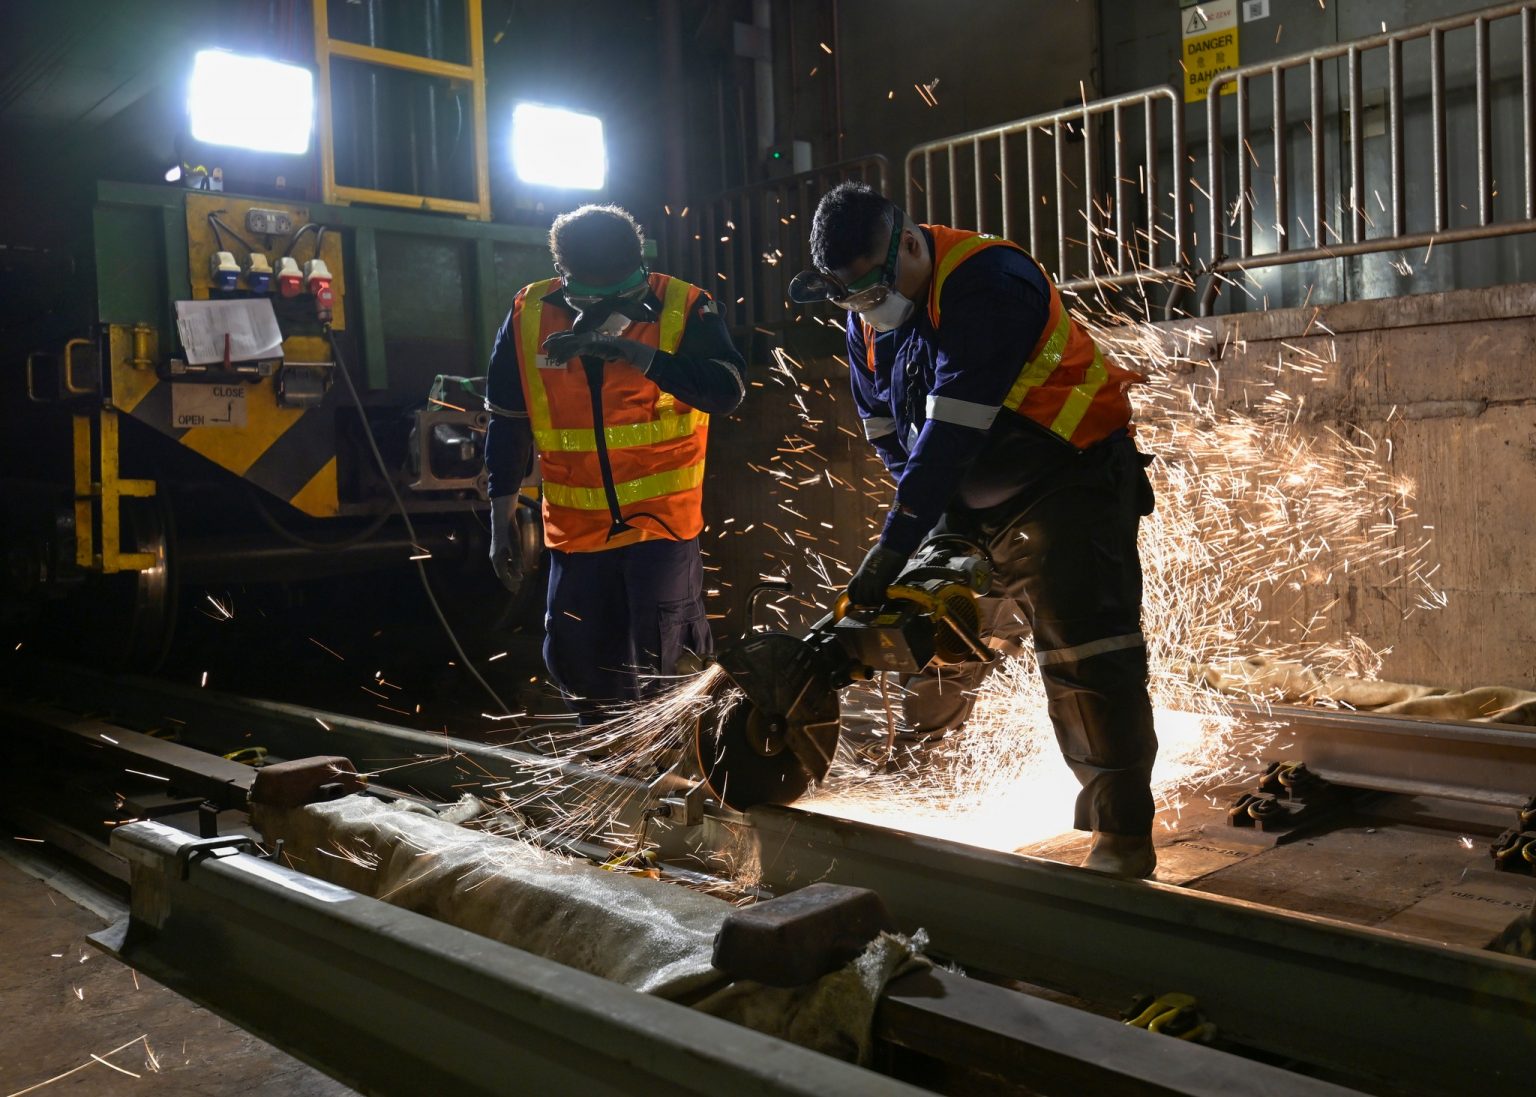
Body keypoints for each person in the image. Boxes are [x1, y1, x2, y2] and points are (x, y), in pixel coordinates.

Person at [790, 182, 1159, 878]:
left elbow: (954, 426)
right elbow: (891, 436)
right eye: (851, 296)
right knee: (926, 633)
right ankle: (925, 787)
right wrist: (924, 535)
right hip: (966, 496)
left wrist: (895, 540)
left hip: (1067, 480)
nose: (869, 306)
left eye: (875, 286)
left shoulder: (989, 281)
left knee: (1086, 658)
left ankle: (1122, 837)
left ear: (906, 240)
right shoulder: (864, 310)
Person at [483, 204, 746, 724]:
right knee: (581, 666)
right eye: (587, 296)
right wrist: (501, 513)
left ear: (641, 267)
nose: (601, 304)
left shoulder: (685, 305)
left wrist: (634, 353)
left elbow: (727, 391)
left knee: (669, 664)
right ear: (564, 278)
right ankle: (612, 780)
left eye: (619, 294)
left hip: (662, 526)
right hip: (577, 533)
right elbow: (509, 419)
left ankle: (681, 770)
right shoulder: (529, 312)